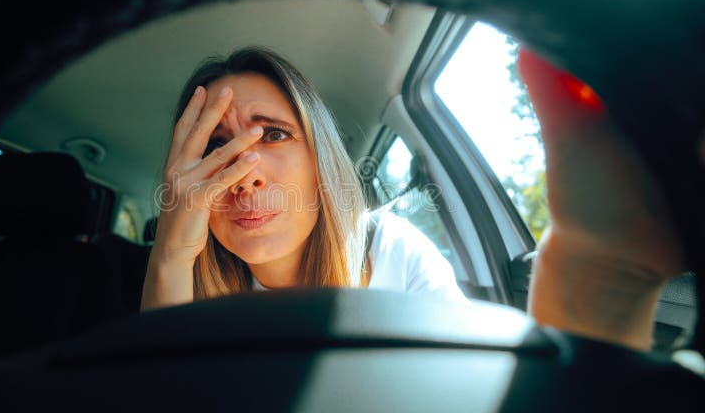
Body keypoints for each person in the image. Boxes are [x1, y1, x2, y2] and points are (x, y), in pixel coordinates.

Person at [141, 45, 686, 353]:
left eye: (274, 134)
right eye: (215, 148)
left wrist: (598, 273)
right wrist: (169, 254)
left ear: (321, 163)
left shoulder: (395, 251)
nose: (242, 174)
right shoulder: (187, 297)